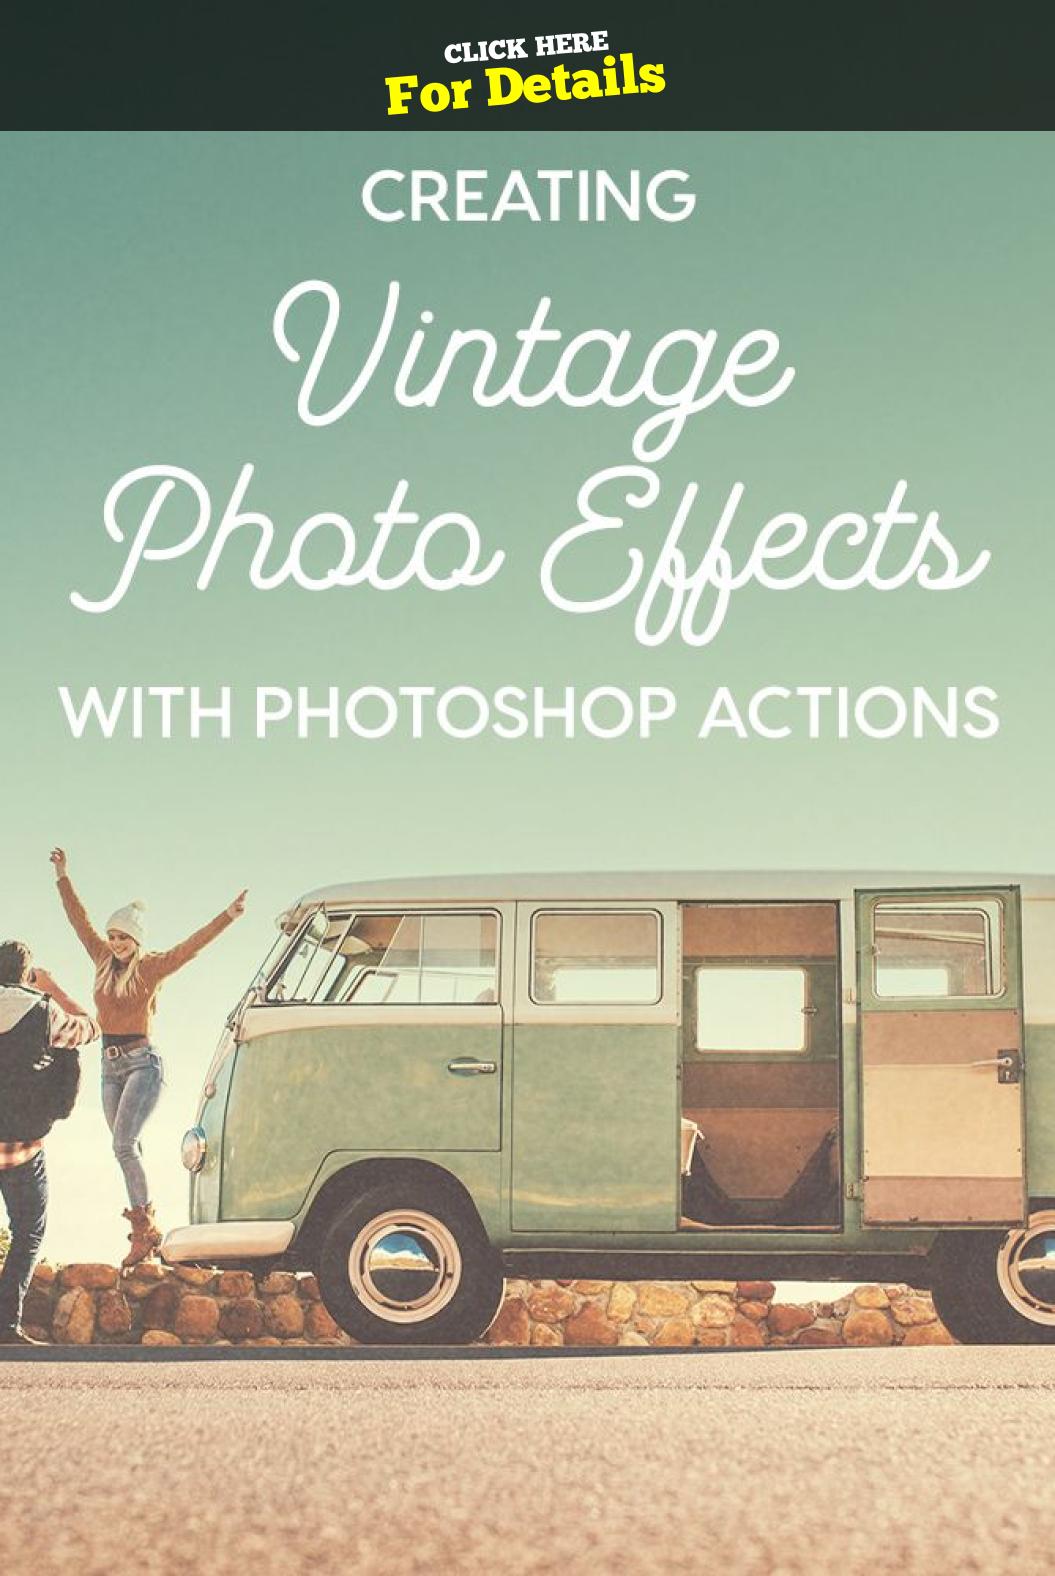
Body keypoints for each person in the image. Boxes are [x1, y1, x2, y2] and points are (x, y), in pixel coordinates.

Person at [49, 847, 246, 1269]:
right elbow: (78, 922)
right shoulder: (102, 959)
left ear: (137, 940)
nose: (117, 944)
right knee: (125, 1147)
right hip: (110, 1066)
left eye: (124, 938)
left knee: (123, 1144)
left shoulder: (152, 968)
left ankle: (144, 1230)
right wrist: (63, 875)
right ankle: (148, 1227)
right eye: (114, 936)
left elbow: (191, 947)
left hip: (143, 1065)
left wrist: (228, 915)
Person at [0, 940, 100, 1345]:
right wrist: (52, 987)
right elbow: (90, 1029)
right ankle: (5, 1325)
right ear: (27, 974)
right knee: (28, 1231)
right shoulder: (44, 1009)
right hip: (21, 1147)